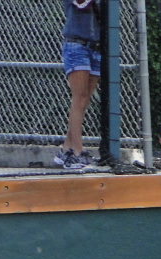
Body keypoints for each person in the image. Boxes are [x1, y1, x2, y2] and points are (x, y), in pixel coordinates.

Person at [55, 0, 101, 170]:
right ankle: (77, 152)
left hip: (97, 47)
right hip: (77, 46)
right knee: (79, 97)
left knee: (85, 99)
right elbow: (83, 4)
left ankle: (66, 149)